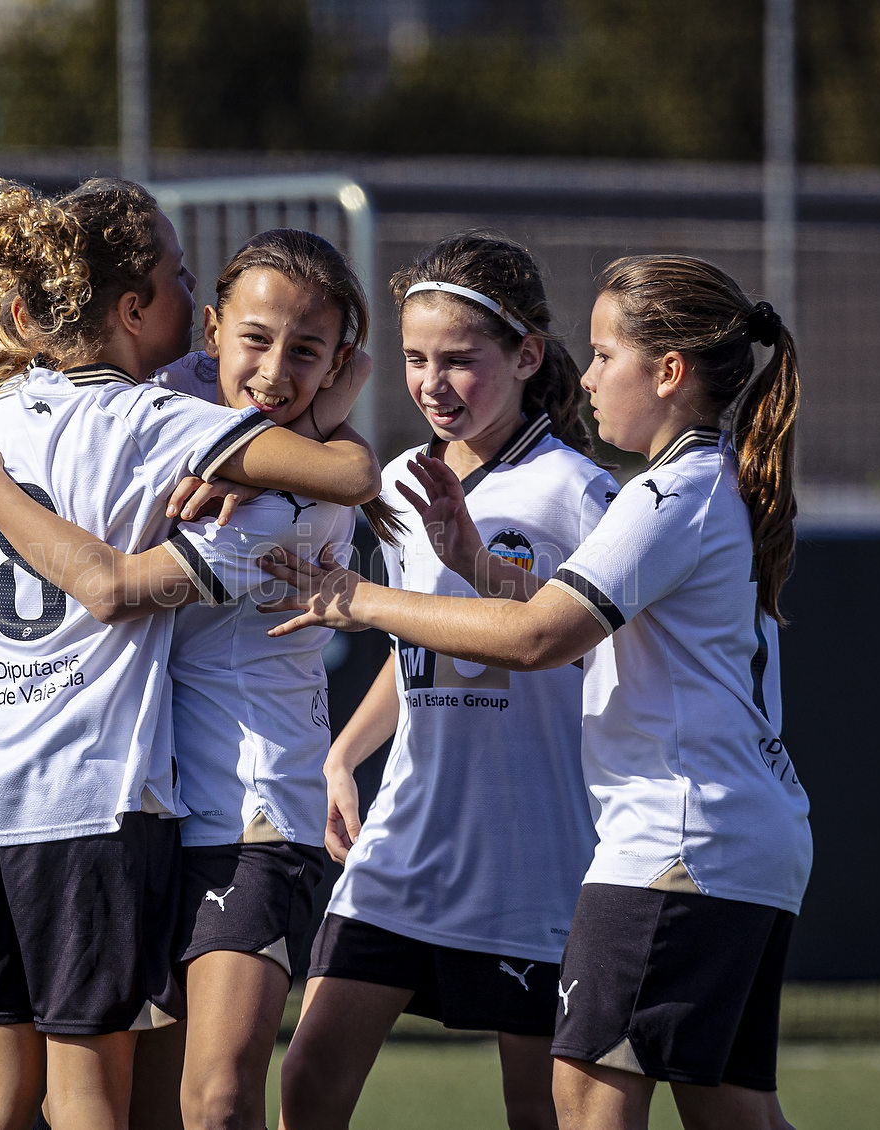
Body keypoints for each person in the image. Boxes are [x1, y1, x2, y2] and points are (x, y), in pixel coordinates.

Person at [0, 178, 381, 1130]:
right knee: (105, 1103)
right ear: (191, 323)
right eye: (249, 336)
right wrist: (265, 432)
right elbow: (334, 465)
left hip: (205, 805)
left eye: (307, 352)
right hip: (100, 801)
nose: (272, 370)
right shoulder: (161, 418)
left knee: (130, 1102)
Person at [262, 254, 810, 1130]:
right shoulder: (700, 482)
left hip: (665, 838)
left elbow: (538, 639)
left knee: (583, 1103)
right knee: (731, 1112)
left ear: (668, 373)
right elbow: (548, 624)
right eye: (415, 358)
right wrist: (473, 565)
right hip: (725, 834)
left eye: (602, 355)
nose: (584, 377)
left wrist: (354, 597)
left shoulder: (660, 491)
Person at [278, 231, 614, 1130]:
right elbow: (416, 643)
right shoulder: (395, 484)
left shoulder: (576, 493)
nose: (432, 383)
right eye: (418, 359)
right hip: (404, 845)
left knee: (537, 1110)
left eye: (461, 361)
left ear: (528, 355)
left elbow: (582, 642)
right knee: (306, 1085)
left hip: (534, 857)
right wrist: (344, 756)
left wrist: (478, 567)